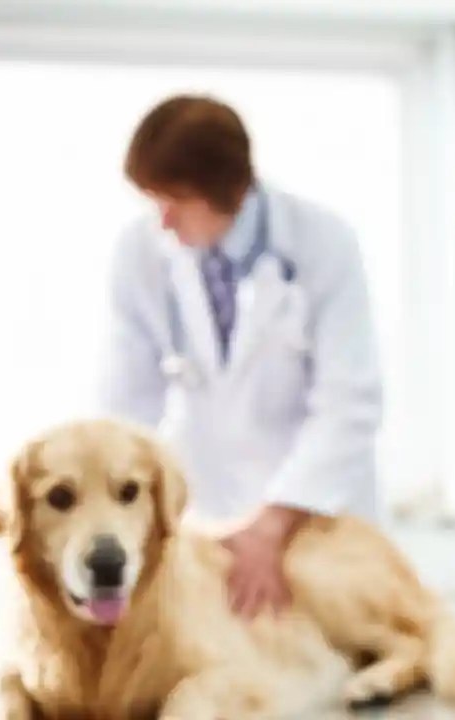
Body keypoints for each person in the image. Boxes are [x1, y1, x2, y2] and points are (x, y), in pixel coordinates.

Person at [100, 94, 382, 618]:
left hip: (316, 519)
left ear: (230, 190)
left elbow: (349, 405)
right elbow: (126, 404)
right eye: (153, 200)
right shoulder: (140, 253)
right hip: (215, 521)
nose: (162, 222)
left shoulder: (322, 242)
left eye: (175, 201)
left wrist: (273, 525)